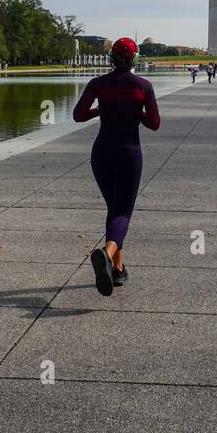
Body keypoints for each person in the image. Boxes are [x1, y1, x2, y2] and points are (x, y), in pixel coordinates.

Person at [72, 37, 160, 296]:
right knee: (123, 212)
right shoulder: (143, 86)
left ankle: (118, 269)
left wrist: (102, 110)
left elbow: (78, 115)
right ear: (135, 59)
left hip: (102, 153)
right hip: (128, 153)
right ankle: (108, 253)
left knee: (113, 207)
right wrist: (136, 111)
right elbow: (154, 123)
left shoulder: (97, 83)